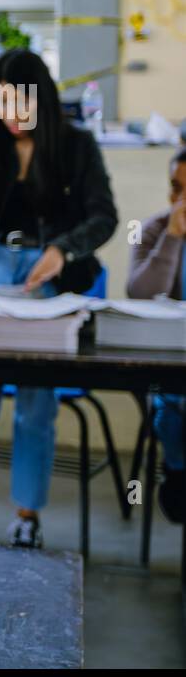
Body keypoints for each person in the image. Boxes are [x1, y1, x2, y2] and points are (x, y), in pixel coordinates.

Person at [0, 48, 118, 548]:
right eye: (0, 103)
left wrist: (62, 249)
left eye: (18, 103)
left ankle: (26, 516)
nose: (9, 115)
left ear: (43, 98)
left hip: (48, 287)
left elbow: (104, 217)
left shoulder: (76, 147)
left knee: (37, 403)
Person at [125, 146, 186, 522]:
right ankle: (178, 473)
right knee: (173, 407)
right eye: (177, 188)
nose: (183, 199)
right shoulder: (153, 230)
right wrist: (173, 240)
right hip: (171, 368)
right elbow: (139, 293)